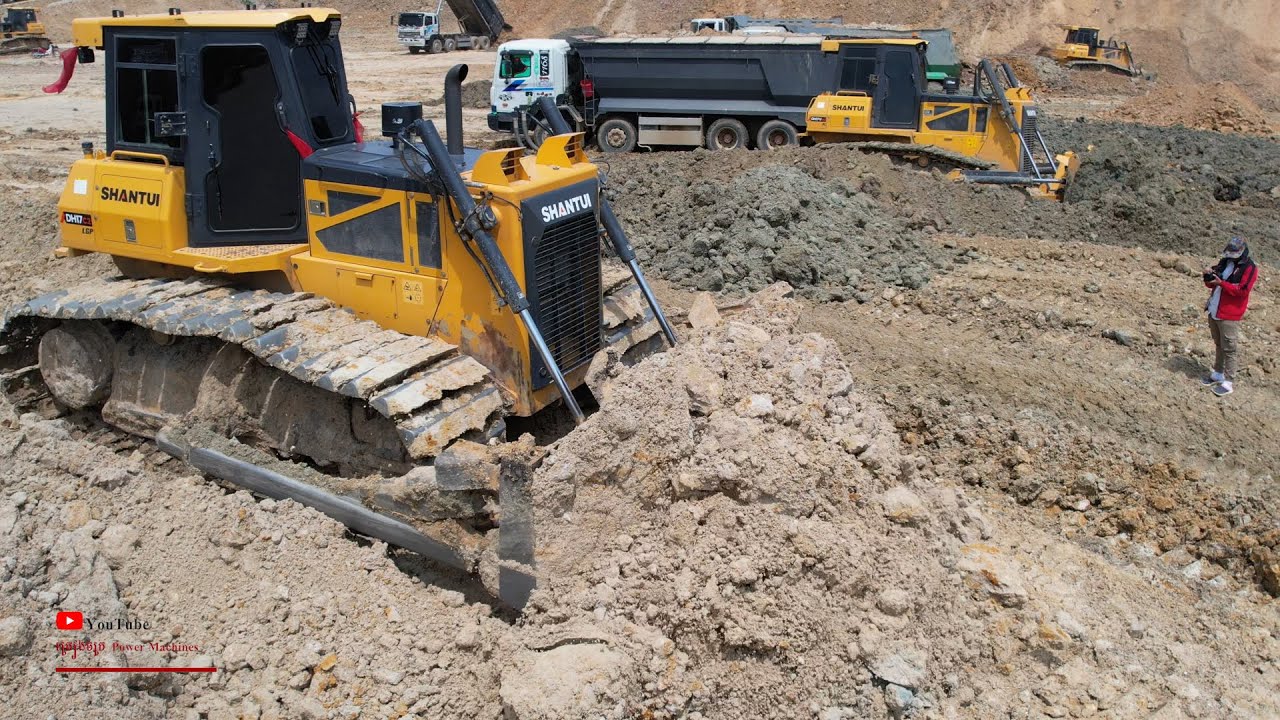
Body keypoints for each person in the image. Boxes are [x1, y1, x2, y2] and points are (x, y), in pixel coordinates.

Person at [1201, 237, 1259, 396]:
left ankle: (1228, 381)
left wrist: (1221, 283)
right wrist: (1208, 277)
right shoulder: (1225, 262)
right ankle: (1217, 373)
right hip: (1215, 309)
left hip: (1229, 314)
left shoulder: (1249, 268)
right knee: (1219, 344)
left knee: (1229, 348)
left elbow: (1242, 291)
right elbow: (1212, 284)